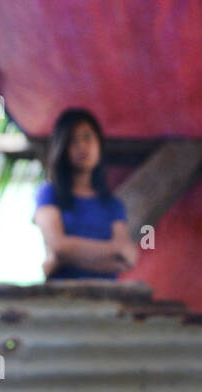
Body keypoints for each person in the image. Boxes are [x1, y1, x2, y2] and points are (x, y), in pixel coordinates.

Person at [34, 109, 137, 280]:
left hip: (108, 300)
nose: (81, 146)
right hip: (61, 300)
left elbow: (127, 259)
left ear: (99, 144)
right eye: (72, 140)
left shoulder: (112, 204)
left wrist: (63, 259)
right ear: (62, 147)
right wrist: (115, 249)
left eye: (87, 137)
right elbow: (58, 245)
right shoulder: (48, 194)